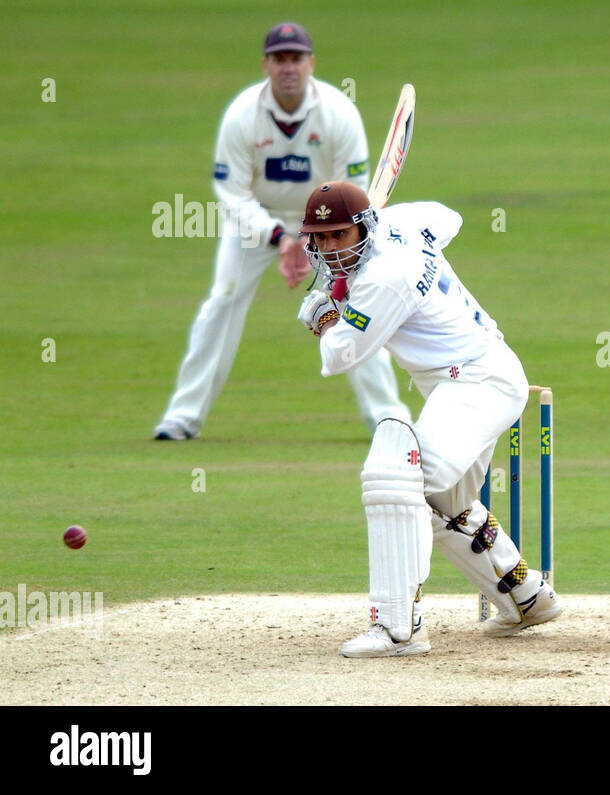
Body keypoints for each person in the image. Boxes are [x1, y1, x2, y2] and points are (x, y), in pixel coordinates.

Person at [296, 181, 563, 656]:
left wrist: (325, 318)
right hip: (472, 379)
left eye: (340, 236)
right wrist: (384, 225)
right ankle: (526, 595)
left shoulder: (383, 280)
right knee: (444, 501)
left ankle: (398, 627)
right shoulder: (408, 222)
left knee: (396, 477)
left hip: (474, 383)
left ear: (363, 229)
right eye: (321, 238)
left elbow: (339, 356)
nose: (328, 248)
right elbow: (448, 216)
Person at [154, 21, 409, 441]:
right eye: (279, 59)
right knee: (223, 298)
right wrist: (281, 239)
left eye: (296, 58)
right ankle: (182, 417)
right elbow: (231, 193)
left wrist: (314, 235)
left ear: (310, 63)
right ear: (266, 65)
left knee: (358, 306)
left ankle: (388, 416)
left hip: (330, 221)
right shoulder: (241, 115)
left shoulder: (339, 113)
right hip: (256, 219)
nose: (288, 67)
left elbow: (355, 191)